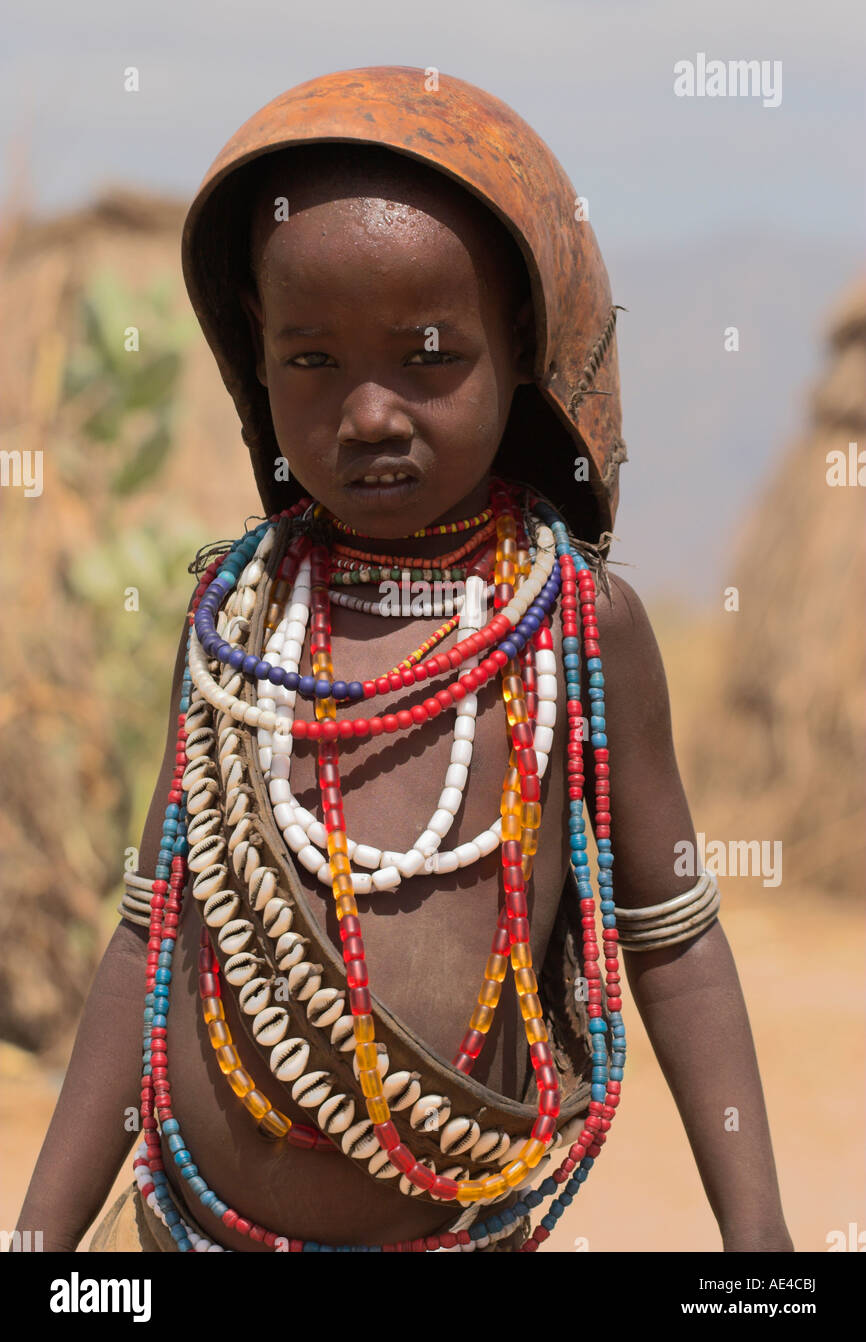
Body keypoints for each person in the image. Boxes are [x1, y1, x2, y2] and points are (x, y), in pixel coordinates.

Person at [16, 66, 793, 1253]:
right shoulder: (234, 624)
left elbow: (674, 941)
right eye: (313, 360)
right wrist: (39, 1243)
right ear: (256, 361)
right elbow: (152, 933)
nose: (369, 414)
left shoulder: (578, 630)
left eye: (427, 354)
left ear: (520, 345)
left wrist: (760, 1247)